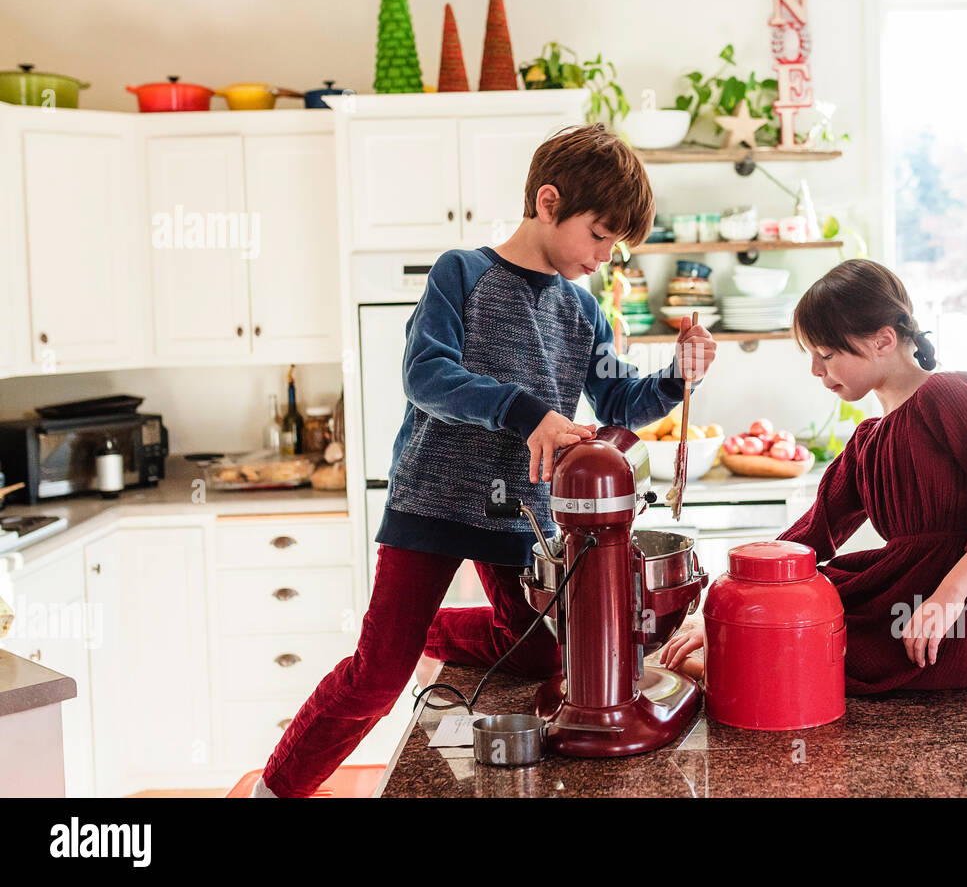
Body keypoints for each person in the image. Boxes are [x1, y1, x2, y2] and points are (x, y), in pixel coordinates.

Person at [256, 124, 716, 796]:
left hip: (520, 520)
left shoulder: (584, 310)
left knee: (537, 653)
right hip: (432, 504)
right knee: (377, 678)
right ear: (549, 202)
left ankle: (425, 631)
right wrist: (526, 411)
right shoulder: (461, 273)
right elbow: (425, 376)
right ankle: (276, 786)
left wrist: (677, 377)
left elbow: (621, 397)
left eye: (615, 245)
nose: (604, 255)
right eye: (599, 235)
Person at [659, 259, 967, 693]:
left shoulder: (947, 395)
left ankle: (736, 671)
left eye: (826, 354)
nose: (815, 369)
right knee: (817, 602)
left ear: (884, 340)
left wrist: (948, 597)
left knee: (821, 648)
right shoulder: (869, 439)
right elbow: (810, 533)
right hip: (908, 595)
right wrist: (723, 611)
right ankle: (739, 664)